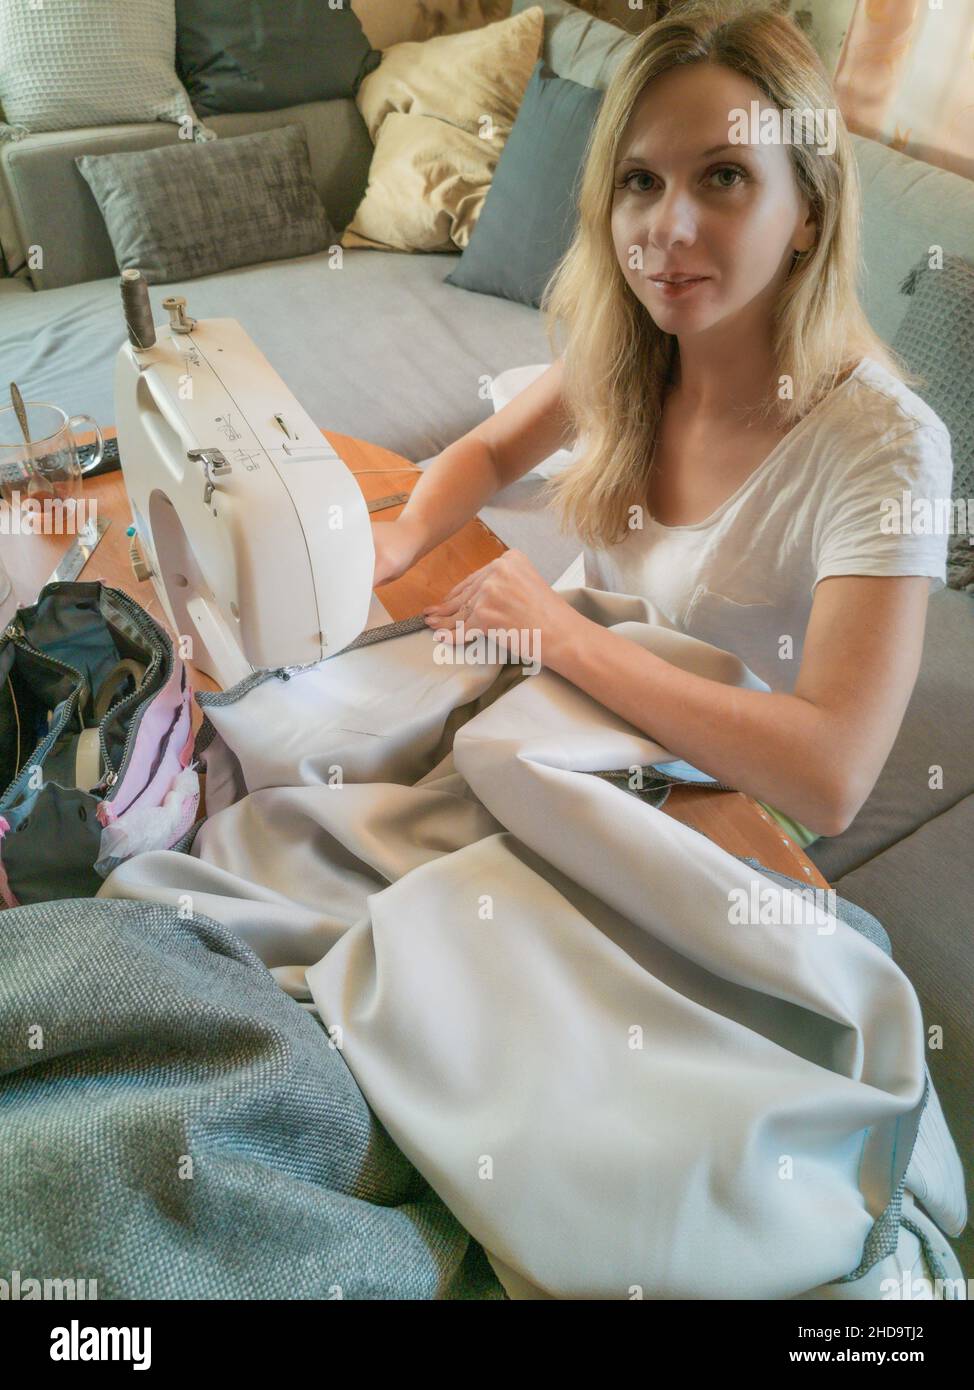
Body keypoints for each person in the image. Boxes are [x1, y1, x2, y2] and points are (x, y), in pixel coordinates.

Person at [369, 0, 953, 846]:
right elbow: (496, 449)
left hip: (716, 805)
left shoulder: (886, 448)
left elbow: (830, 779)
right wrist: (399, 538)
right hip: (566, 714)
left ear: (809, 214)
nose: (666, 231)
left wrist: (562, 635)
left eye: (724, 177)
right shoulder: (634, 344)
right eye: (641, 181)